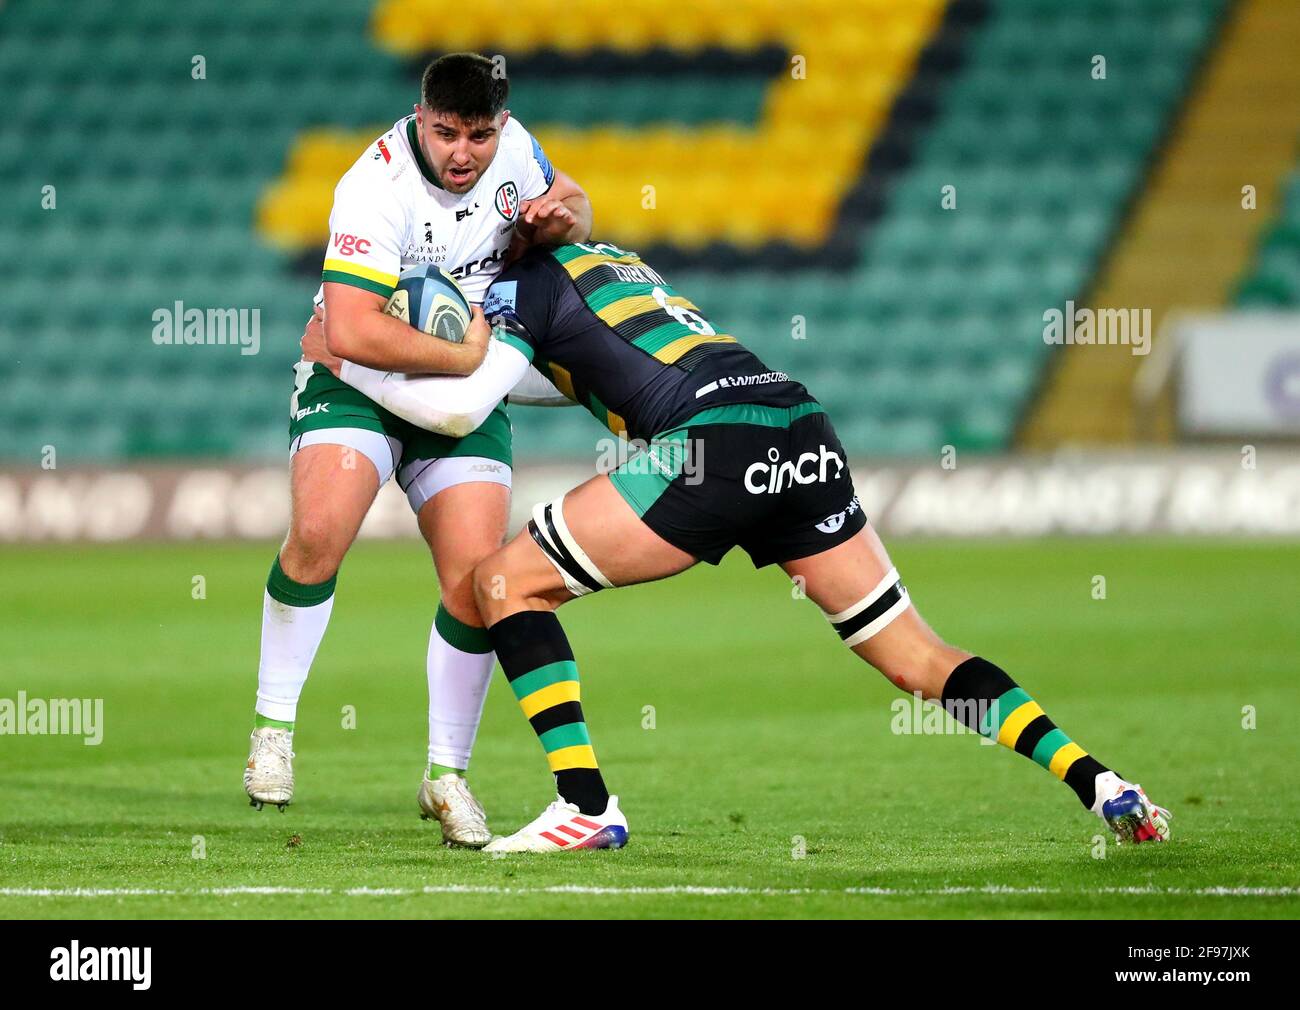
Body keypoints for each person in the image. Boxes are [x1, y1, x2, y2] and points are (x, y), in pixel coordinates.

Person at [302, 240, 1171, 854]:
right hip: (797, 420)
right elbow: (583, 368)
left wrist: (358, 365)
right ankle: (1101, 783)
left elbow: (462, 410)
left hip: (714, 443)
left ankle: (585, 806)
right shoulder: (618, 262)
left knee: (502, 583)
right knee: (916, 653)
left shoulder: (517, 288)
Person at [243, 53, 592, 851]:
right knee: (319, 535)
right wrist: (470, 360)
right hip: (358, 379)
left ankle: (446, 776)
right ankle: (274, 729)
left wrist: (563, 217)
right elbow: (353, 329)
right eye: (446, 133)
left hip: (457, 395)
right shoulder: (376, 184)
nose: (463, 152)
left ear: (500, 125)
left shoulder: (516, 148)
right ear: (419, 117)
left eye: (479, 134)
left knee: (477, 582)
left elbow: (576, 199)